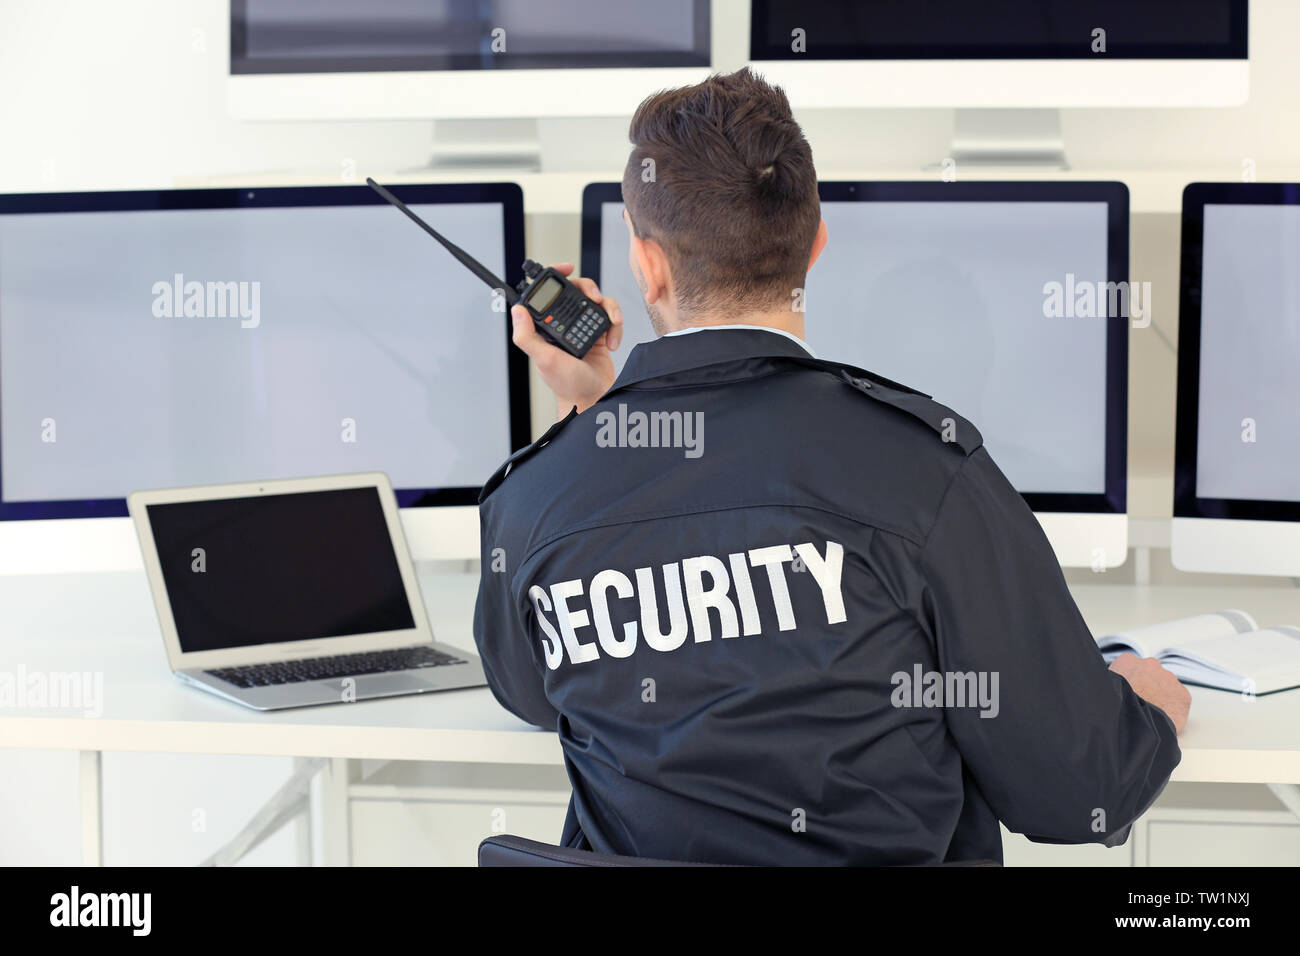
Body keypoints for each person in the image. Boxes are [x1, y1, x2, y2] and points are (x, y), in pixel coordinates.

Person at [472, 67, 1188, 865]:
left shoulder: (536, 498)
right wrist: (1144, 706)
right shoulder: (922, 469)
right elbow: (1082, 792)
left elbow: (533, 690)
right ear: (815, 241)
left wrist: (593, 418)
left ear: (648, 266)